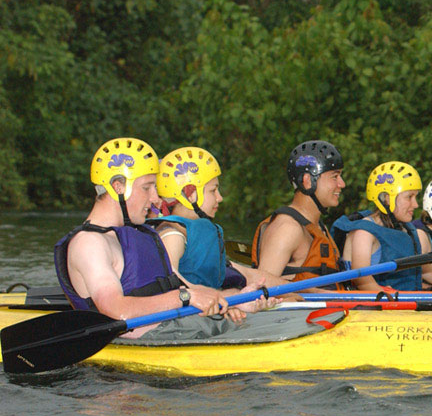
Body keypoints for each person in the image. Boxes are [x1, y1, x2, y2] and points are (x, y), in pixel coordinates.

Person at [53, 138, 257, 336]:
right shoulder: (90, 243)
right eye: (146, 187)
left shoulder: (135, 234)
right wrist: (185, 297)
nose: (155, 199)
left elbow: (182, 288)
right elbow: (115, 309)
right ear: (118, 187)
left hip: (177, 327)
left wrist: (229, 301)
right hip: (156, 338)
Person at [151, 146, 284, 293]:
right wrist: (229, 299)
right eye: (213, 190)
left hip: (213, 303)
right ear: (190, 195)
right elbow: (171, 287)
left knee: (290, 296)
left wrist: (304, 291)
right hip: (194, 309)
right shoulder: (172, 236)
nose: (220, 198)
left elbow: (251, 275)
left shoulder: (192, 233)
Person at [333, 161, 432, 292]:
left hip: (404, 310)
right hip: (373, 313)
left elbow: (426, 271)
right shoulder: (364, 233)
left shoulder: (408, 231)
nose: (416, 204)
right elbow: (363, 281)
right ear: (387, 198)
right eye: (409, 197)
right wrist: (396, 296)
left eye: (416, 197)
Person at [251, 140, 345, 281]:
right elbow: (261, 286)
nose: (342, 184)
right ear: (308, 181)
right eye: (334, 177)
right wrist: (317, 293)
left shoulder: (317, 226)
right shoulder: (288, 229)